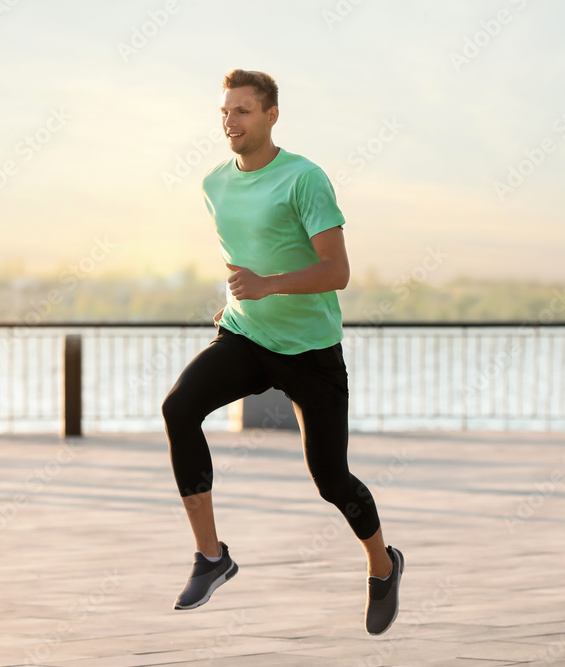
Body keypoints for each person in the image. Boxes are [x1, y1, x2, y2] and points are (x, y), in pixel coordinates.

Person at [161, 68, 403, 635]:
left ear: (270, 115)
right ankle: (211, 557)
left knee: (330, 479)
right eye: (225, 111)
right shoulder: (213, 184)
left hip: (311, 351)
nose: (230, 121)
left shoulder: (305, 179)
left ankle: (382, 564)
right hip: (247, 336)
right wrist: (236, 302)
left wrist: (267, 284)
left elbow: (337, 271)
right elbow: (243, 252)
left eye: (242, 111)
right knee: (179, 407)